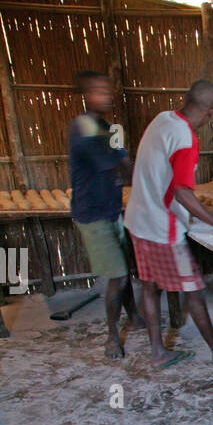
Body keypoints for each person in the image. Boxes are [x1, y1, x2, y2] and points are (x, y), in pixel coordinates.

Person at [123, 79, 213, 370]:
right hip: (161, 227)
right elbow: (181, 191)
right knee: (193, 289)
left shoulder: (161, 120)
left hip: (138, 218)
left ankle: (158, 352)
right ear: (210, 112)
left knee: (150, 287)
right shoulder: (187, 139)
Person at [68, 70, 144, 359]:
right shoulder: (83, 127)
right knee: (118, 275)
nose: (107, 94)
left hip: (111, 209)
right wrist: (148, 176)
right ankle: (112, 336)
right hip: (93, 214)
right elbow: (118, 167)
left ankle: (134, 316)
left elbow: (122, 162)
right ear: (86, 95)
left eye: (107, 89)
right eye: (99, 90)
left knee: (123, 266)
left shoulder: (105, 126)